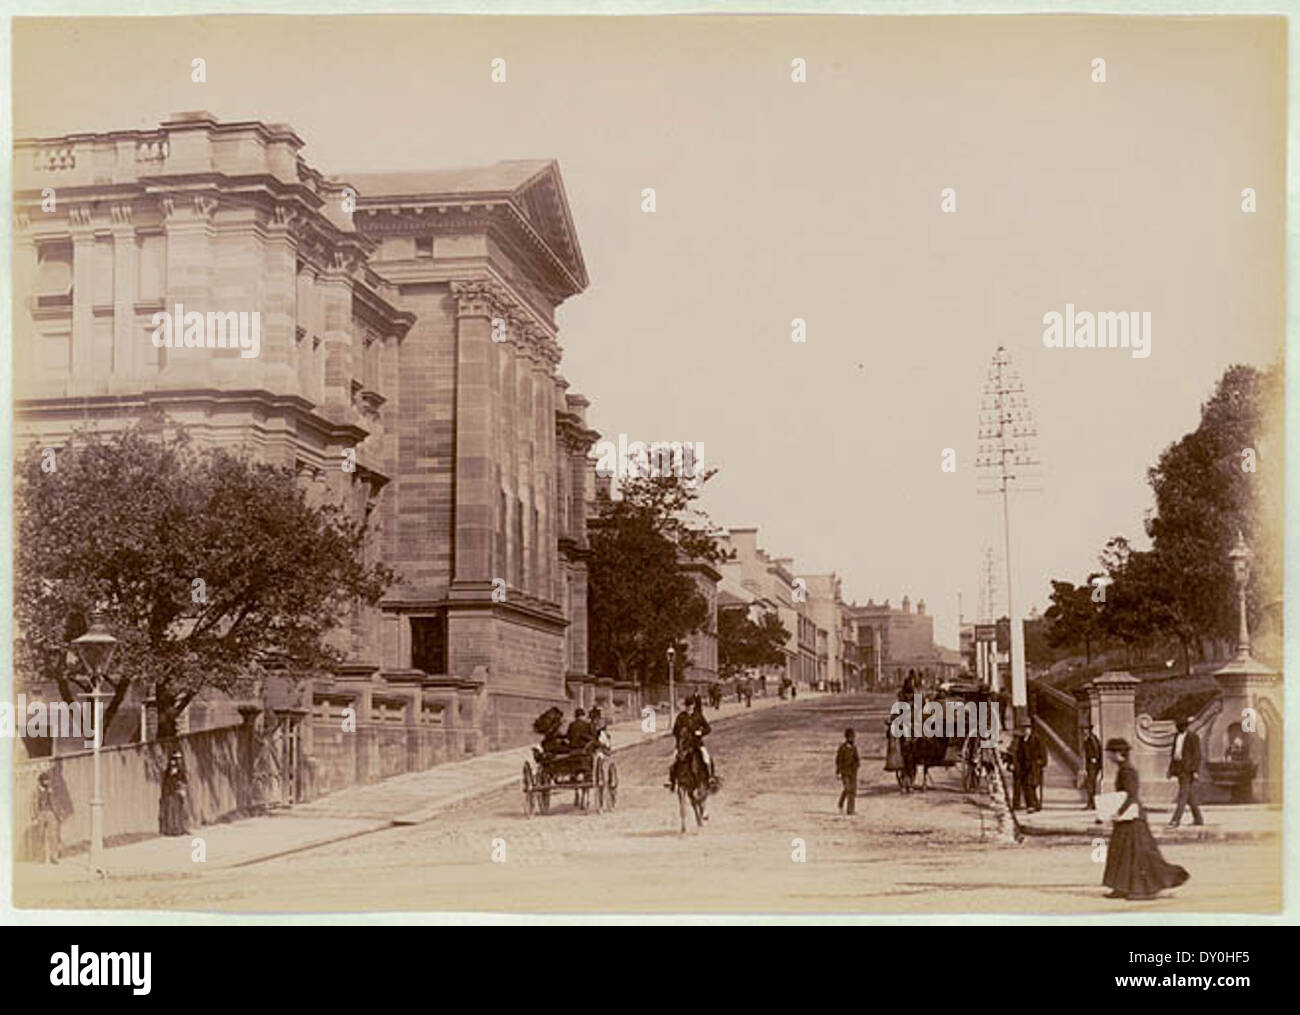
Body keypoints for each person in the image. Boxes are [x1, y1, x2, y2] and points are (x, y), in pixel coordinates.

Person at [1102, 737, 1189, 900]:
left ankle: (1142, 889)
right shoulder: (1123, 769)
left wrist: (1118, 812)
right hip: (1128, 816)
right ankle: (1121, 887)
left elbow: (1132, 795)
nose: (1109, 756)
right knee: (1122, 853)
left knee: (1138, 854)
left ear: (1119, 753)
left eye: (1111, 753)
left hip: (1133, 818)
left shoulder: (1127, 771)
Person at [1167, 717, 1204, 828]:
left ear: (1185, 726)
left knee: (1182, 795)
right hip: (1179, 769)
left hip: (1188, 770)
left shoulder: (1193, 737)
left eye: (1181, 726)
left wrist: (1195, 770)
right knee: (1189, 795)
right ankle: (1198, 819)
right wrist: (1170, 770)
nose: (1179, 728)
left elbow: (1197, 755)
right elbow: (1174, 754)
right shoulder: (1176, 736)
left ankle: (1175, 820)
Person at [1012, 723, 1046, 812]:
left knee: (1030, 785)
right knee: (1026, 786)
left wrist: (1040, 762)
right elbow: (1019, 754)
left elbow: (1043, 754)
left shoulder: (1037, 739)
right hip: (1024, 767)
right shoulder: (1022, 740)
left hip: (1034, 767)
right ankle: (1034, 804)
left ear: (1031, 730)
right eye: (1024, 729)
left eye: (1028, 729)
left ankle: (1032, 805)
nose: (1026, 731)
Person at [32, 772, 62, 864]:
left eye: (48, 780)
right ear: (40, 781)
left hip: (50, 813)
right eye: (45, 780)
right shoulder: (36, 791)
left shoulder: (50, 790)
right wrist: (34, 817)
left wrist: (58, 814)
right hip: (40, 813)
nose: (47, 782)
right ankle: (39, 857)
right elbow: (33, 804)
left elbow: (55, 802)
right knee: (39, 836)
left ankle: (54, 856)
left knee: (53, 835)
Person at [159, 750, 189, 837]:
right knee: (170, 811)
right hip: (169, 793)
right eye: (176, 759)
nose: (177, 761)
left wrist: (182, 789)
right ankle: (170, 830)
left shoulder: (180, 771)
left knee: (178, 811)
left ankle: (179, 829)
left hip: (177, 793)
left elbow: (183, 781)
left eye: (179, 759)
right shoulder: (168, 772)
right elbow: (166, 783)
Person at [835, 728, 860, 815]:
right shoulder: (842, 748)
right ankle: (841, 803)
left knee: (852, 791)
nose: (852, 739)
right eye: (851, 737)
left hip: (853, 772)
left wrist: (856, 766)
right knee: (847, 789)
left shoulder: (854, 748)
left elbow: (857, 759)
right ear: (846, 737)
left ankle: (850, 810)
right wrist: (838, 772)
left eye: (853, 737)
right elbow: (838, 761)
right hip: (844, 772)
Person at [1082, 724, 1103, 810]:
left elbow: (1096, 749)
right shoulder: (1089, 738)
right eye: (1084, 729)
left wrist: (1095, 758)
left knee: (1090, 784)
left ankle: (1091, 804)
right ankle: (1091, 804)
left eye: (1086, 729)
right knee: (1091, 784)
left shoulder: (1091, 739)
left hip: (1092, 765)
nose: (1084, 731)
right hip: (1091, 764)